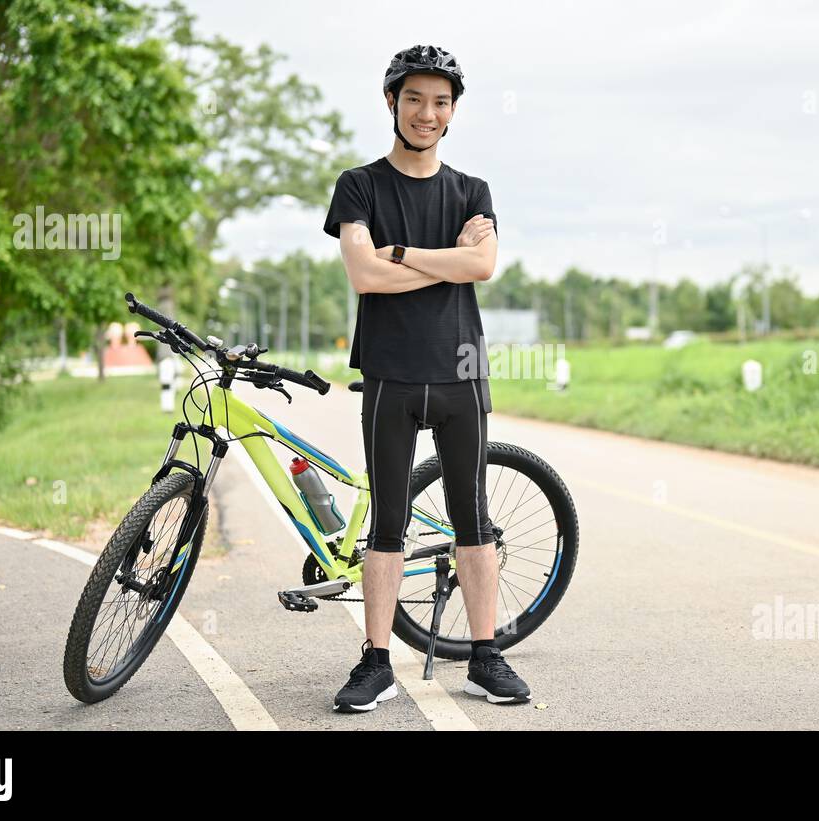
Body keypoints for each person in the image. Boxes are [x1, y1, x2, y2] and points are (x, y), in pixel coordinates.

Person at [322, 44, 531, 712]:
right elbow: (363, 274)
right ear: (392, 101)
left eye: (440, 101)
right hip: (389, 372)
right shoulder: (360, 185)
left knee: (473, 517)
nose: (427, 112)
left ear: (452, 111)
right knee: (387, 522)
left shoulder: (473, 191)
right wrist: (450, 259)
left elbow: (484, 267)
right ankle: (376, 661)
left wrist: (406, 253)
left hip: (460, 373)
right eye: (414, 98)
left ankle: (486, 655)